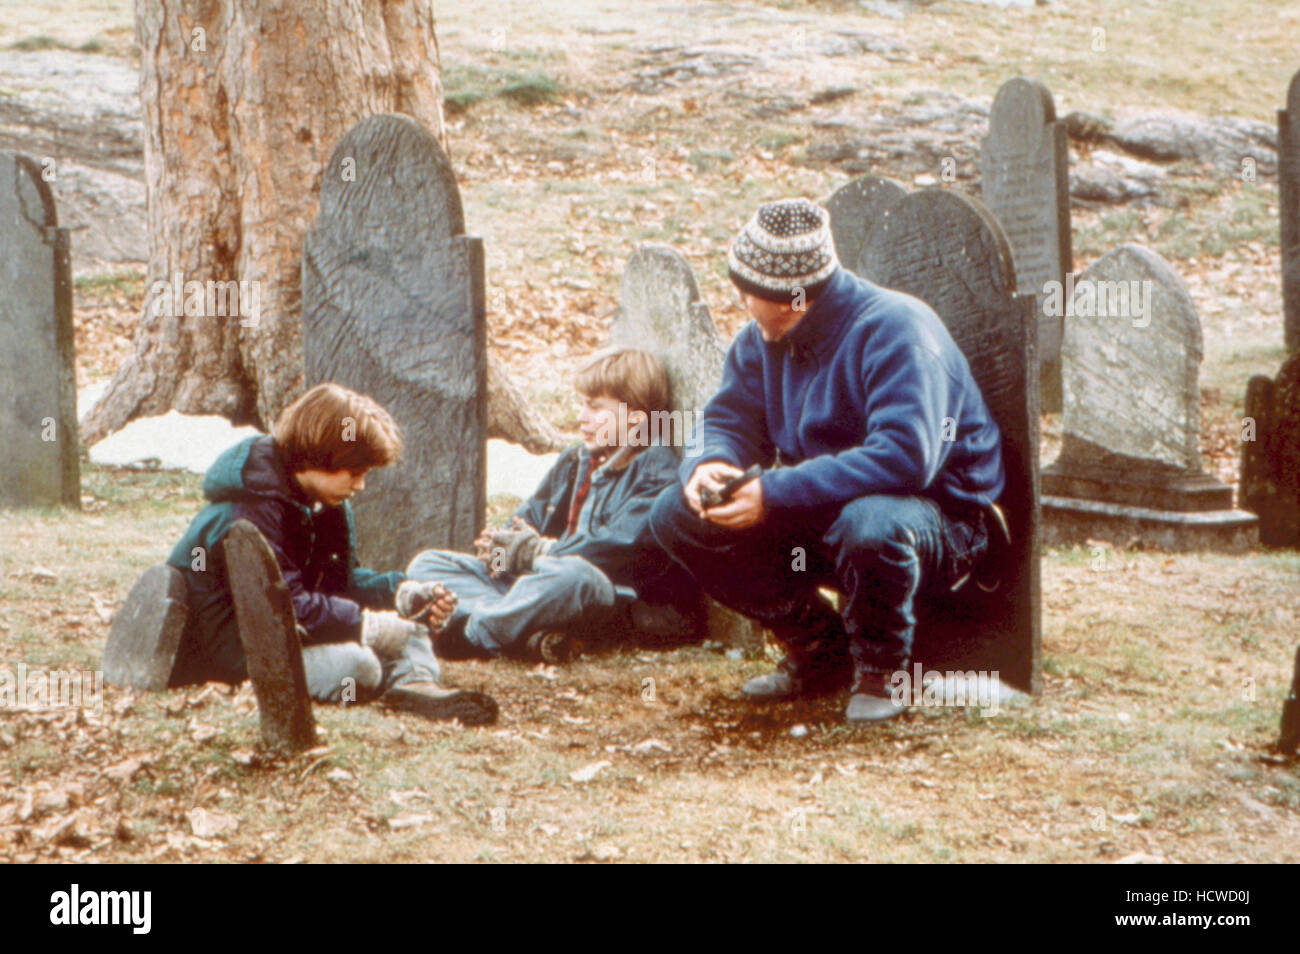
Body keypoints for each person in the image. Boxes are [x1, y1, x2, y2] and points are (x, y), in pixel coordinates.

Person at [648, 197, 1005, 724]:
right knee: (676, 516)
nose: (742, 301)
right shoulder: (763, 338)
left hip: (940, 521)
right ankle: (820, 652)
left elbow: (907, 458)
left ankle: (883, 671)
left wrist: (772, 493)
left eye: (748, 291)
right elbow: (726, 421)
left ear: (793, 298)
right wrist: (708, 465)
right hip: (828, 512)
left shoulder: (898, 329)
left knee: (871, 522)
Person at [166, 382, 497, 725]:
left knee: (408, 629)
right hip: (238, 649)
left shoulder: (324, 500)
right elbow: (281, 605)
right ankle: (391, 676)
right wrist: (365, 625)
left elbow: (342, 582)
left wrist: (401, 596)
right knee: (359, 665)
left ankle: (416, 685)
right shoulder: (251, 508)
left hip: (294, 633)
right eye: (354, 472)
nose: (360, 486)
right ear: (320, 454)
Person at [406, 348, 692, 659]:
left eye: (595, 408)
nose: (582, 417)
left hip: (604, 595)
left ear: (635, 419)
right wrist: (499, 554)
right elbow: (521, 523)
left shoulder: (657, 474)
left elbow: (607, 551)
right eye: (582, 405)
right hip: (539, 581)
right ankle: (519, 629)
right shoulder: (575, 459)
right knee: (428, 564)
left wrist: (535, 552)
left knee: (573, 575)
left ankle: (470, 635)